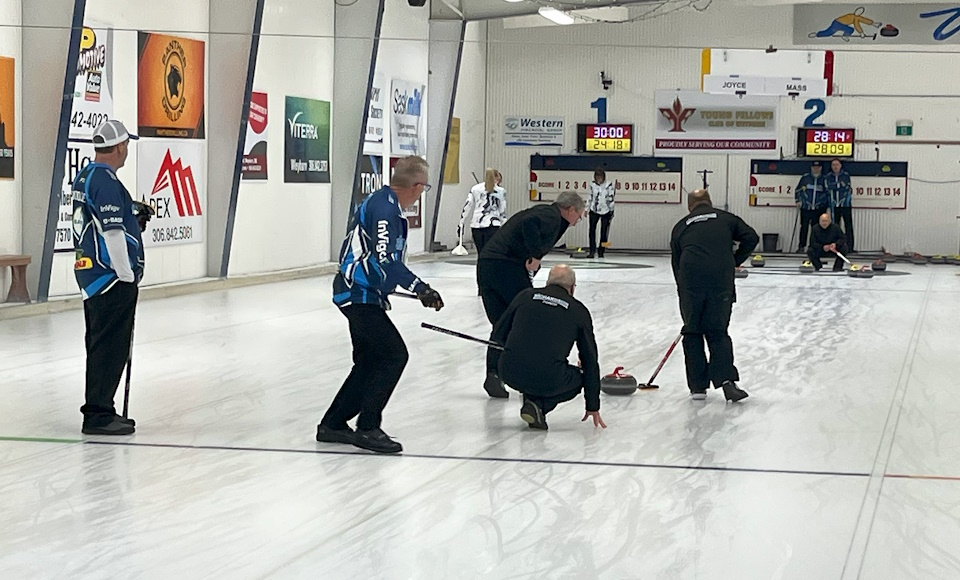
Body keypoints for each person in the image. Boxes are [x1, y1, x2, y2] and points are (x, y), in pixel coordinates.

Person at [319, 156, 444, 454]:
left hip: (365, 294)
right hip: (357, 294)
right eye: (423, 188)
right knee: (393, 355)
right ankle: (368, 427)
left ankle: (333, 423)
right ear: (415, 186)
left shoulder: (384, 204)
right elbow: (386, 260)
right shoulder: (385, 209)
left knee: (369, 361)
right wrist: (421, 288)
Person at [72, 120, 144, 436]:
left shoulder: (88, 175)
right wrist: (126, 276)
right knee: (109, 347)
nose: (127, 150)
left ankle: (103, 408)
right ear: (119, 147)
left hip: (93, 275)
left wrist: (134, 217)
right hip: (109, 277)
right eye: (126, 145)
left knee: (102, 345)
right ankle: (99, 414)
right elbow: (112, 232)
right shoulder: (105, 181)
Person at [477, 191, 586, 398]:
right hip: (506, 266)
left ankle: (494, 373)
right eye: (578, 216)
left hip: (487, 265)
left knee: (502, 323)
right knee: (527, 319)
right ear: (570, 209)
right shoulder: (551, 215)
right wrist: (535, 254)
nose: (576, 221)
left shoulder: (547, 214)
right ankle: (528, 376)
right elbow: (529, 223)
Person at [670, 189, 758, 402]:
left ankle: (698, 387)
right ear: (710, 202)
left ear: (690, 206)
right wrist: (735, 259)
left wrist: (683, 290)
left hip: (691, 284)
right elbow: (751, 237)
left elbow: (676, 262)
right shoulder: (726, 218)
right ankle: (727, 382)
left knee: (692, 332)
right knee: (718, 331)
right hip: (720, 283)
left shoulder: (681, 226)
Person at [492, 265, 605, 431]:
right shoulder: (578, 311)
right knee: (578, 377)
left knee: (533, 372)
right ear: (572, 287)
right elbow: (589, 360)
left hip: (509, 372)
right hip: (548, 377)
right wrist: (592, 405)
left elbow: (499, 334)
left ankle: (532, 402)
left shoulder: (525, 296)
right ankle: (540, 406)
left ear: (547, 282)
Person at [459, 168, 507, 293]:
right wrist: (506, 227)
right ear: (497, 178)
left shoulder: (475, 189)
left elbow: (467, 206)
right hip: (493, 225)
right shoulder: (500, 191)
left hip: (477, 226)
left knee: (481, 256)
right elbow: (502, 211)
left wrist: (461, 223)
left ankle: (481, 287)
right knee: (493, 256)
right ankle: (493, 285)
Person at [795, 161, 830, 253]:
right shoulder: (805, 178)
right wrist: (798, 201)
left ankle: (814, 247)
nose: (816, 169)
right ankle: (801, 246)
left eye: (818, 167)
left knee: (816, 229)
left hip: (819, 208)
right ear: (811, 168)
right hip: (806, 207)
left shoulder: (824, 179)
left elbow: (828, 193)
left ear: (821, 168)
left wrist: (826, 204)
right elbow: (798, 190)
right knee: (804, 227)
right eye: (814, 167)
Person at [826, 158, 854, 251]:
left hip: (845, 205)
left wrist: (836, 186)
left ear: (840, 165)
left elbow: (846, 187)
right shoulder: (828, 176)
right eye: (833, 165)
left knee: (848, 226)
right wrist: (839, 185)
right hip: (834, 206)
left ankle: (850, 247)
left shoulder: (845, 175)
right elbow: (828, 187)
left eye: (837, 164)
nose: (835, 167)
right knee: (835, 227)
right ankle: (836, 247)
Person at [587, 167, 615, 258]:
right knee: (591, 231)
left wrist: (611, 210)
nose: (599, 178)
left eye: (600, 177)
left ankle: (601, 251)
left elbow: (611, 198)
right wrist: (586, 209)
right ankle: (592, 251)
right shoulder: (592, 185)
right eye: (597, 177)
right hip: (594, 210)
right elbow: (590, 197)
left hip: (606, 211)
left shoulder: (609, 185)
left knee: (604, 233)